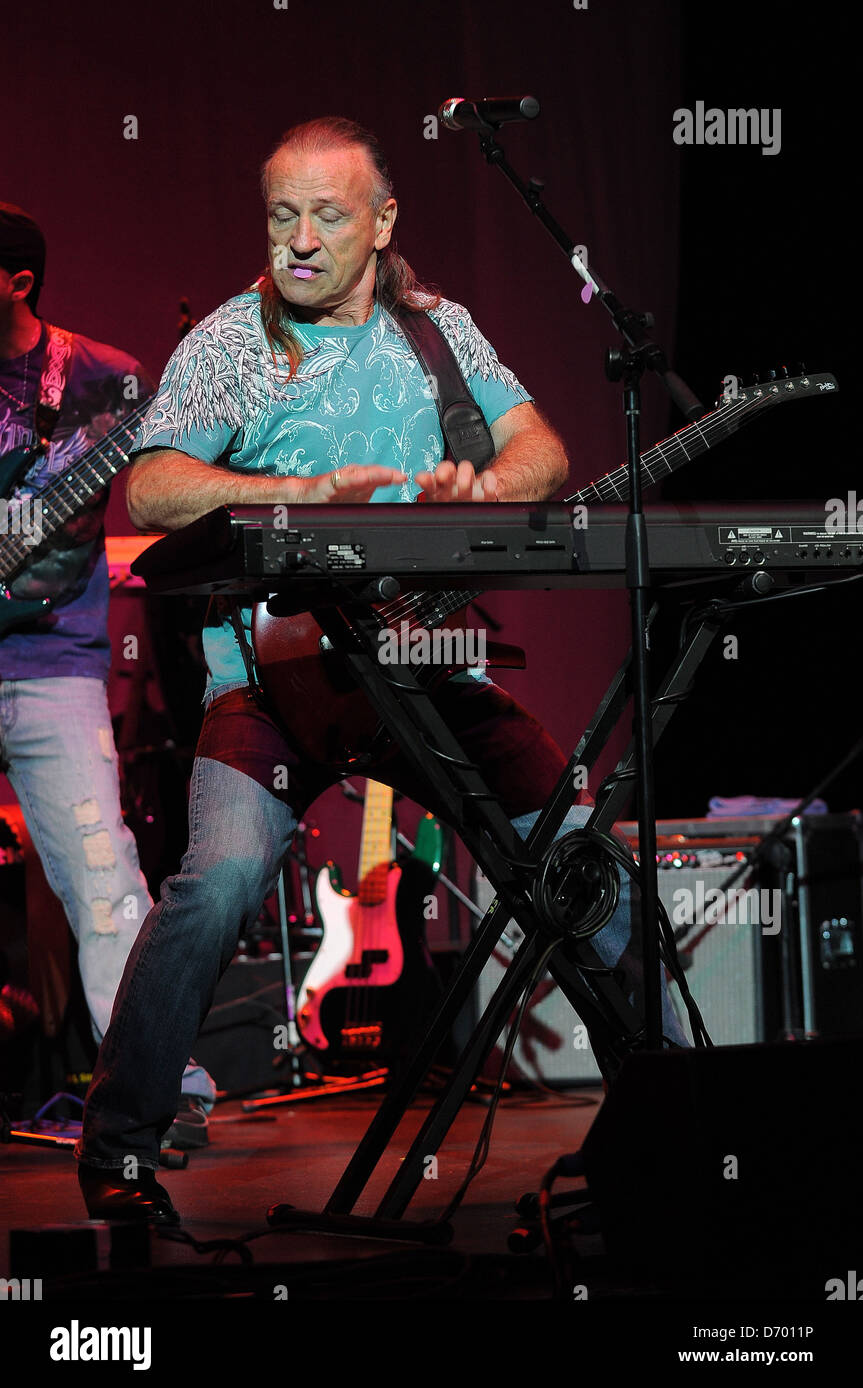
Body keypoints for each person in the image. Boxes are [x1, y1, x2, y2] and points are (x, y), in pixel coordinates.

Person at [75, 118, 687, 1224]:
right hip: (267, 681)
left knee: (570, 852)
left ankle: (681, 1115)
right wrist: (310, 499)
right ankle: (118, 1150)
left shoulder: (438, 332)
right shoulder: (233, 340)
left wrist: (484, 492)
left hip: (415, 664)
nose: (299, 240)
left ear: (383, 221)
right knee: (213, 882)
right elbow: (153, 490)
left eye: (327, 215)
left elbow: (541, 451)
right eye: (279, 215)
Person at [0, 203, 215, 1148]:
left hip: (52, 663)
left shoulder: (105, 378)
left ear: (18, 282)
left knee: (105, 880)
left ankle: (155, 1094)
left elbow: (168, 488)